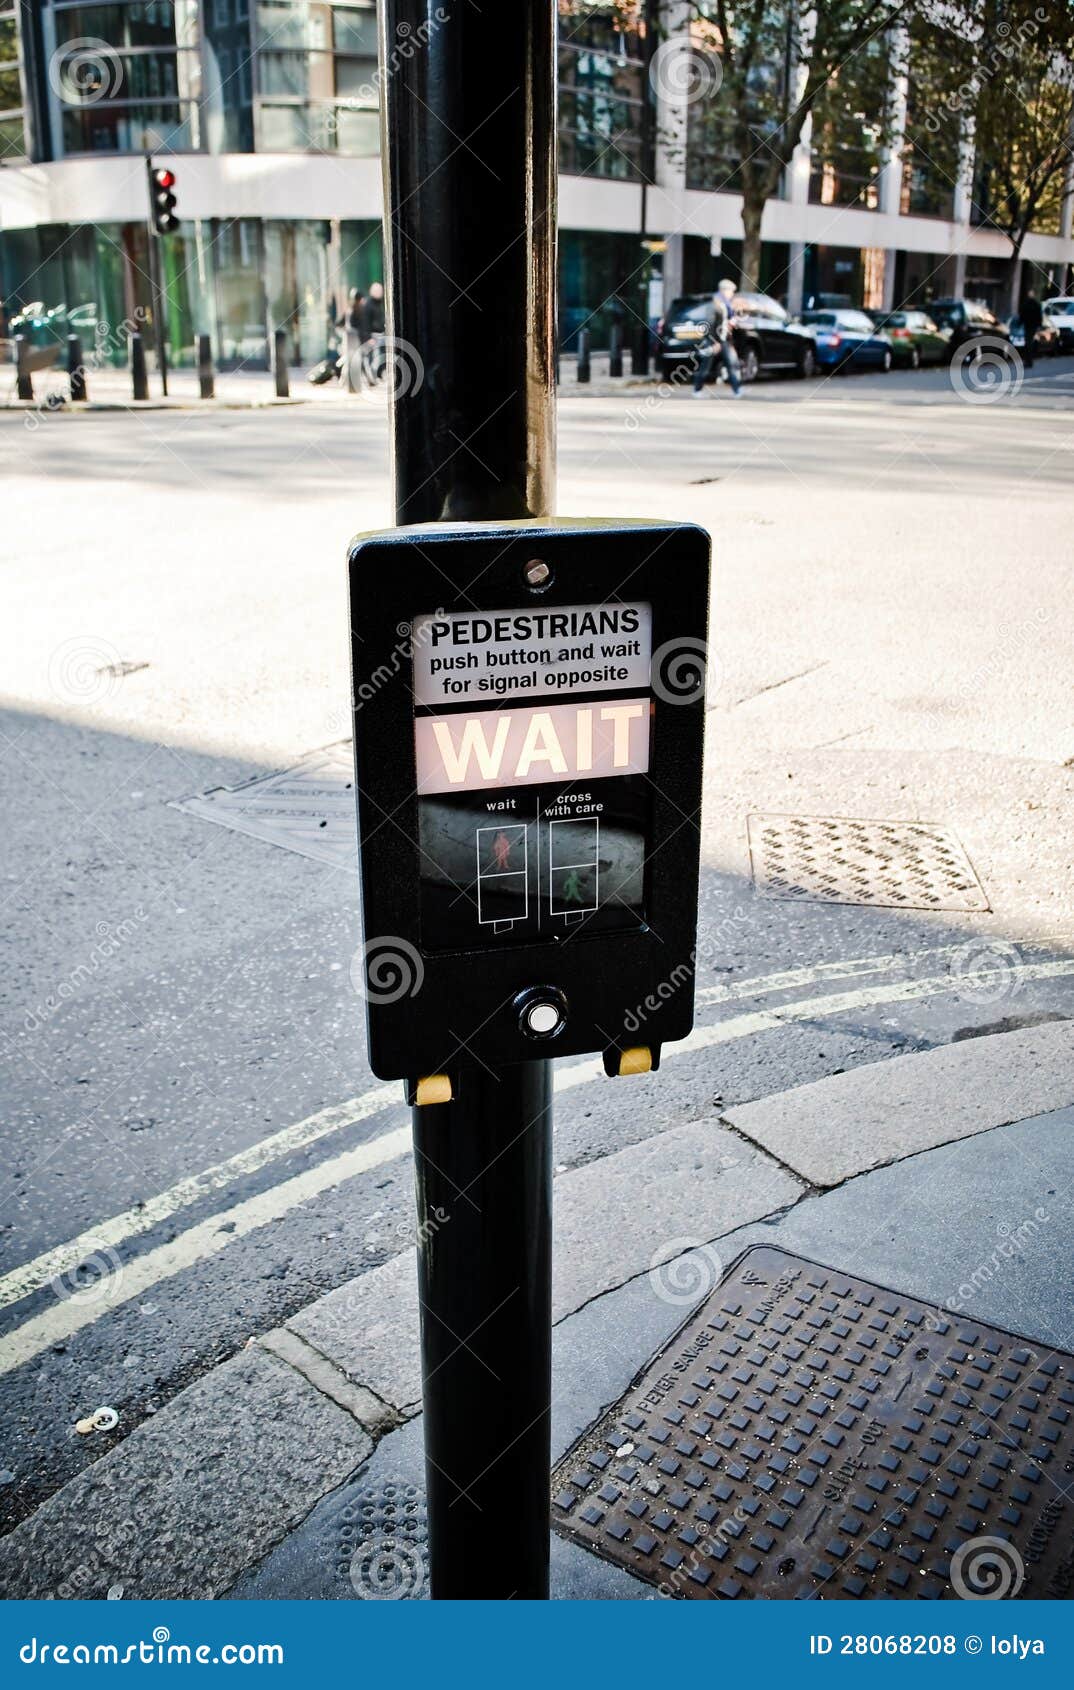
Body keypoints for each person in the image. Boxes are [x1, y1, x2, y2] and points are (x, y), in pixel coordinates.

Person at [693, 277, 742, 398]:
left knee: (731, 364)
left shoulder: (727, 305)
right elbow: (709, 324)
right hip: (715, 341)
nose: (732, 294)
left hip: (724, 340)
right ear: (724, 291)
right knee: (706, 366)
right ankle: (697, 390)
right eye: (731, 291)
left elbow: (725, 323)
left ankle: (737, 390)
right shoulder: (715, 304)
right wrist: (713, 341)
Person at [1019, 289, 1042, 368]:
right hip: (1032, 326)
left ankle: (1027, 361)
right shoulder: (1036, 304)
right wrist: (1039, 325)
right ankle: (1029, 361)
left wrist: (1020, 323)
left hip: (1028, 326)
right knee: (1029, 343)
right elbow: (1039, 316)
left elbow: (1022, 315)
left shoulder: (1027, 304)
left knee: (1028, 343)